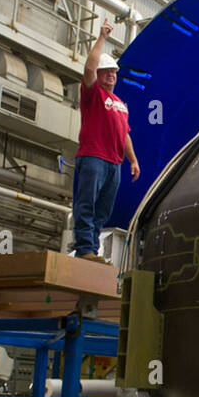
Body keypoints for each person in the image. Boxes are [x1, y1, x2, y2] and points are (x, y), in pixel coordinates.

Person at [74, 22, 140, 261]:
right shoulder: (92, 94)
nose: (112, 75)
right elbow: (89, 67)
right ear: (99, 76)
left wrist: (132, 160)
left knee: (103, 209)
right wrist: (102, 38)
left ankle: (91, 248)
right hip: (93, 157)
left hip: (114, 163)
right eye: (107, 72)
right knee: (87, 203)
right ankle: (84, 248)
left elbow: (124, 134)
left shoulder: (120, 104)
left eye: (114, 72)